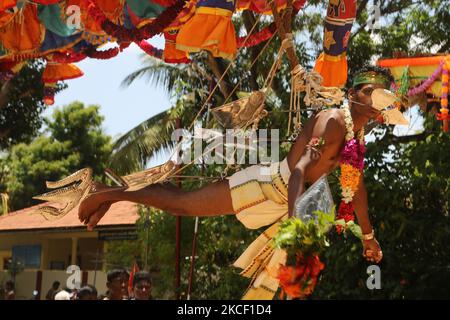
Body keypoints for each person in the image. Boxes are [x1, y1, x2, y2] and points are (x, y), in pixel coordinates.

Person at [78, 66, 398, 297]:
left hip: (291, 205)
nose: (373, 98)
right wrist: (295, 231)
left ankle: (112, 194)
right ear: (352, 93)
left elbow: (355, 187)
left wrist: (368, 236)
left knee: (283, 285)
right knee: (184, 205)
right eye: (367, 90)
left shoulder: (355, 137)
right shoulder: (332, 123)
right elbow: (299, 171)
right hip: (272, 189)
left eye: (379, 94)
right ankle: (112, 193)